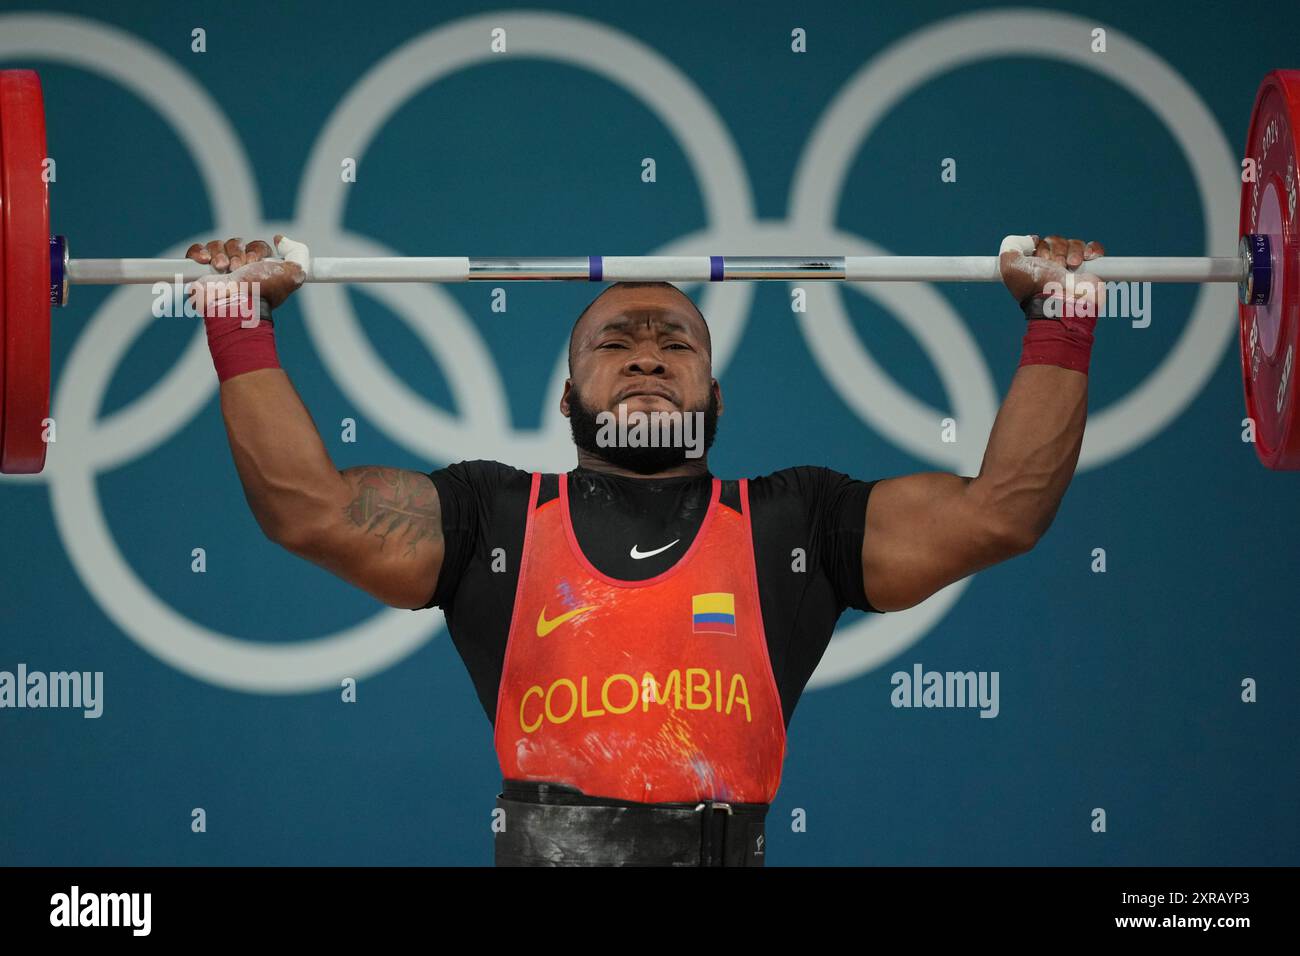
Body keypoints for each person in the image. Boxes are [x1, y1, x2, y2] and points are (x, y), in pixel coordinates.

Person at [184, 232, 1105, 866]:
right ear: (567, 397)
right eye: (614, 342)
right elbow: (310, 512)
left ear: (715, 395)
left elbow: (1001, 514)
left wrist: (1062, 321)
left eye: (678, 343)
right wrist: (237, 321)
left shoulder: (799, 526)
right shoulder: (491, 517)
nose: (649, 355)